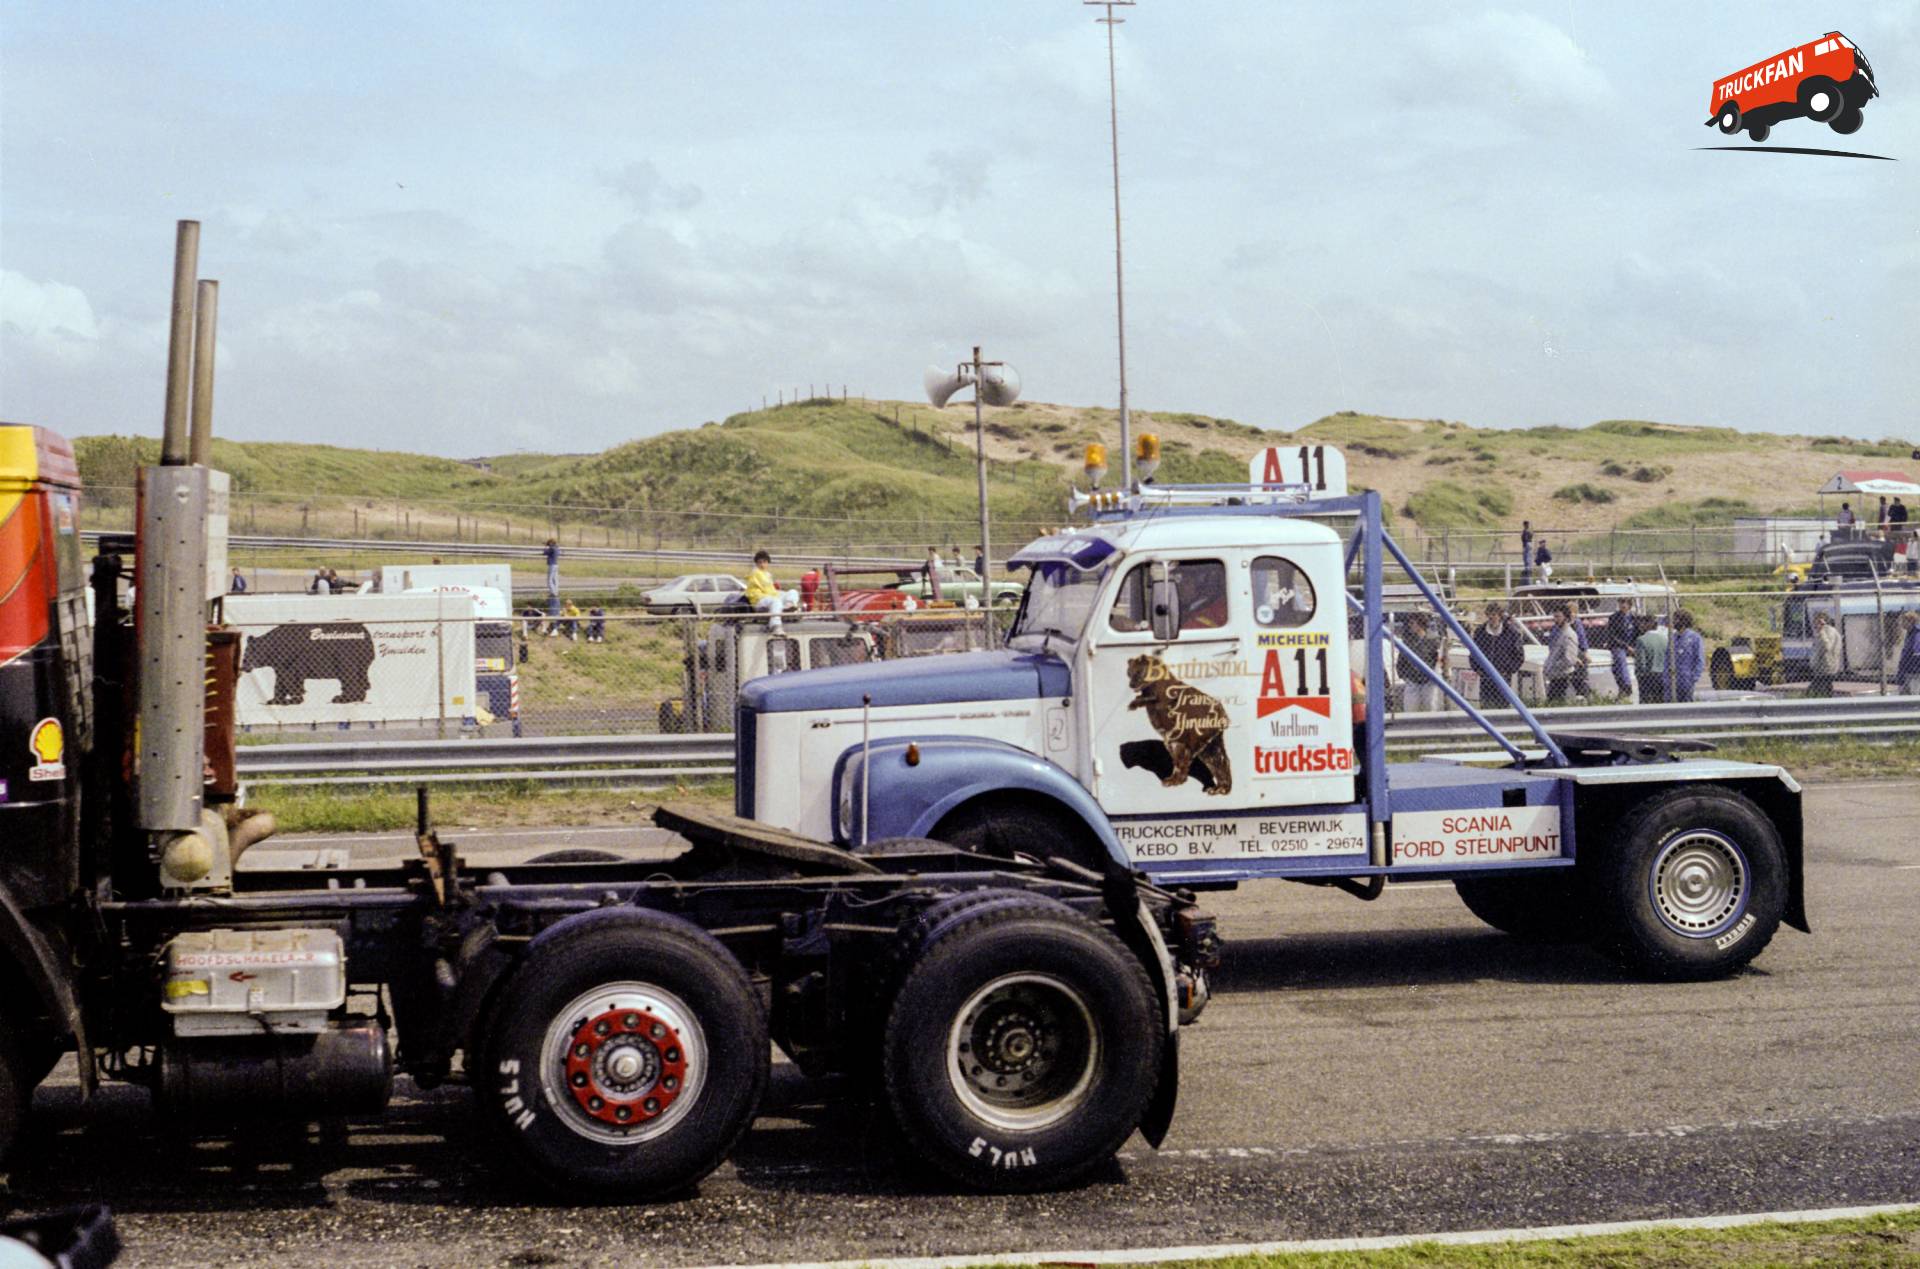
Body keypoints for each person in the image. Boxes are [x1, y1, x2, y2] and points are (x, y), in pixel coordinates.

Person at [1472, 603, 1525, 707]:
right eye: (1489, 615)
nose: (1491, 617)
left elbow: (1519, 655)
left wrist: (1509, 669)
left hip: (1503, 676)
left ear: (1500, 616)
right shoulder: (1480, 632)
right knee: (1486, 705)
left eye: (1494, 614)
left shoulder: (1511, 633)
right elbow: (1473, 652)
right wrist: (1477, 668)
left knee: (1503, 704)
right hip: (1486, 677)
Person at [1398, 611, 1443, 713]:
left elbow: (1437, 659)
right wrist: (1403, 675)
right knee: (1410, 708)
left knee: (1430, 707)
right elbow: (1401, 660)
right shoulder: (1408, 641)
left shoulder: (1432, 641)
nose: (1410, 626)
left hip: (1428, 680)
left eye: (1412, 623)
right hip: (1412, 680)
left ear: (1420, 624)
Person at [745, 549, 796, 631]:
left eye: (764, 562)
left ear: (768, 563)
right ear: (756, 563)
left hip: (770, 597)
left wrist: (780, 595)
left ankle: (787, 606)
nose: (762, 565)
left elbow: (771, 590)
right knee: (776, 601)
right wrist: (777, 596)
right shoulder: (755, 573)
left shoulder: (767, 574)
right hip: (759, 601)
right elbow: (766, 589)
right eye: (760, 562)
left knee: (792, 592)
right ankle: (775, 625)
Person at [1543, 605, 1581, 702]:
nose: (1555, 620)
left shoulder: (1569, 634)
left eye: (1558, 617)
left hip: (1563, 678)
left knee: (1557, 702)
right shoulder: (1557, 633)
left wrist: (1553, 665)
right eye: (1554, 617)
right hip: (1555, 677)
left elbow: (1569, 659)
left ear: (1566, 617)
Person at [1604, 598, 1637, 698]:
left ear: (1629, 605)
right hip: (1619, 646)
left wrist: (1636, 646)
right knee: (1620, 658)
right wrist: (1626, 647)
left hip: (1632, 645)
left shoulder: (1634, 618)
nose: (1623, 605)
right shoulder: (1613, 618)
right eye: (1621, 603)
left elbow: (1638, 633)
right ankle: (1626, 685)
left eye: (1625, 603)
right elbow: (1612, 636)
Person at [1670, 608, 1704, 703]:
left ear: (1683, 621)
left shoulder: (1695, 638)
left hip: (1687, 679)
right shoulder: (1672, 637)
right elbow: (1667, 658)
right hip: (1673, 680)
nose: (1673, 621)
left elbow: (1700, 659)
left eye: (1675, 619)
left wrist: (1694, 678)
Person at [1635, 618, 1670, 704]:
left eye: (1642, 624)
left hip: (1648, 675)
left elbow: (1641, 662)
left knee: (1646, 702)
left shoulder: (1641, 640)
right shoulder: (1665, 639)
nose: (1640, 626)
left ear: (1647, 625)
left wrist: (1639, 675)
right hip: (1663, 674)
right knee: (1660, 700)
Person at [1810, 611, 1840, 698]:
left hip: (1826, 668)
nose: (1815, 624)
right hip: (1819, 669)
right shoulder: (1819, 632)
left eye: (1818, 622)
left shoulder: (1829, 631)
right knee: (1817, 691)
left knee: (1821, 691)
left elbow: (1827, 647)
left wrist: (1821, 631)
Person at [1898, 611, 1920, 695]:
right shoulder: (1909, 633)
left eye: (1904, 621)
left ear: (1910, 621)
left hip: (1914, 672)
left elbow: (1917, 653)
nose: (1901, 624)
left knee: (1914, 695)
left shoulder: (1917, 634)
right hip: (1906, 671)